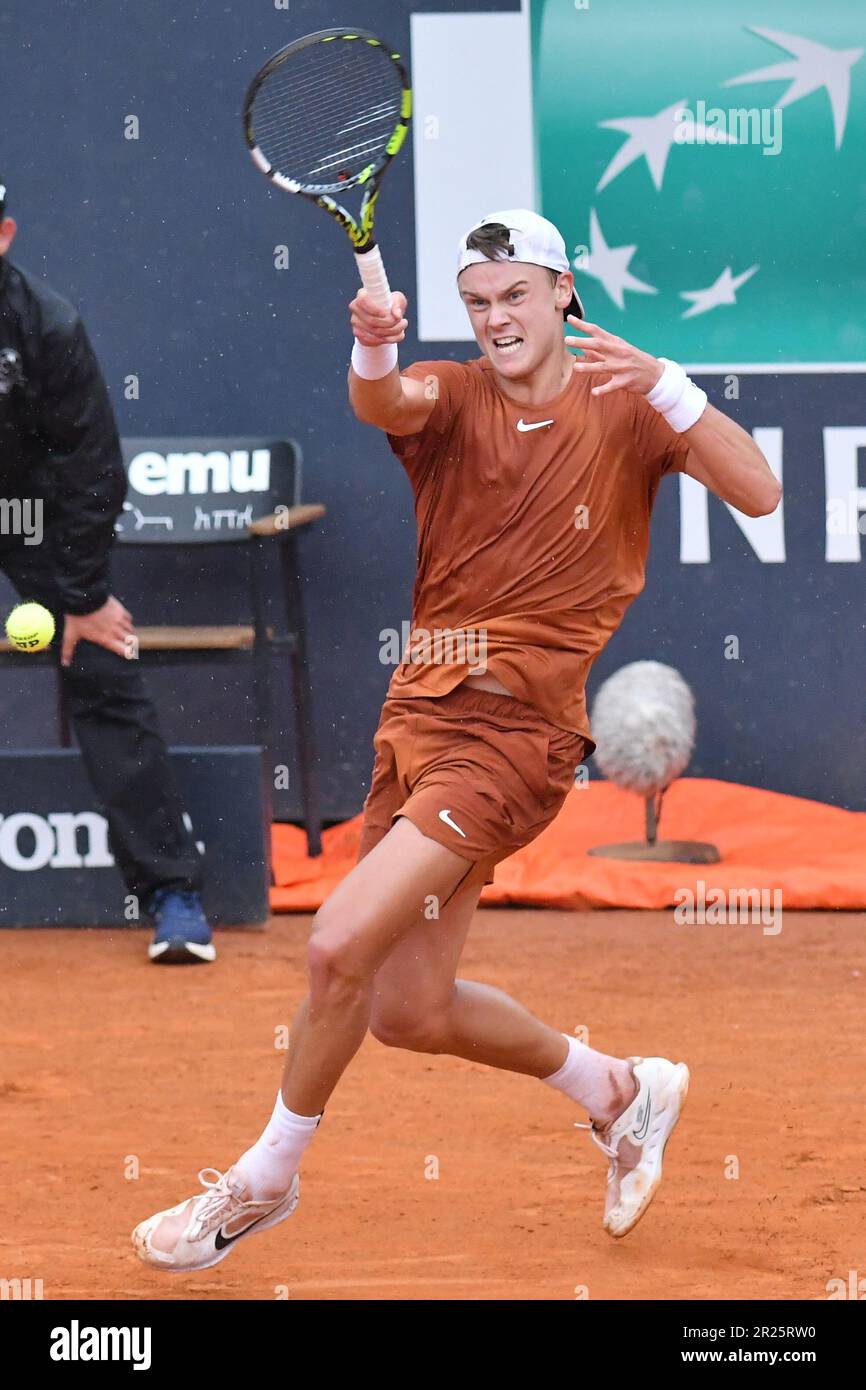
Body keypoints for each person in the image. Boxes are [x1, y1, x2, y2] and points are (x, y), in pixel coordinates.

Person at [133, 209, 781, 1270]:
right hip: (417, 722)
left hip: (516, 736)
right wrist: (376, 338)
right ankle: (617, 1090)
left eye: (514, 295)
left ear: (562, 291)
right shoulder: (450, 395)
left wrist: (666, 383)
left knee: (336, 942)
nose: (495, 319)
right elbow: (382, 396)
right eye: (477, 302)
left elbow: (759, 489)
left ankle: (261, 1181)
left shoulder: (629, 403)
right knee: (405, 1007)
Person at [0, 175, 214, 964]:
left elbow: (92, 465)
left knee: (103, 661)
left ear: (5, 235)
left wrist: (82, 596)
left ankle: (173, 896)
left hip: (35, 515)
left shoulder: (47, 325)